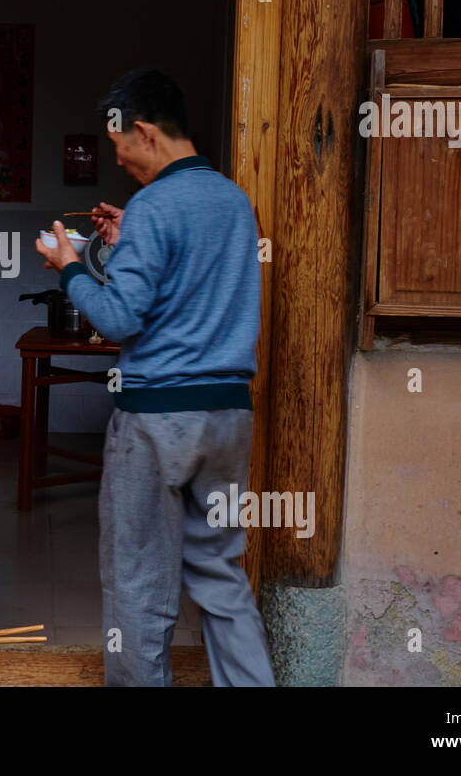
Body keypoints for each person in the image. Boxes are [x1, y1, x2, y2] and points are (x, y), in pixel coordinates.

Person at [34, 68, 275, 687]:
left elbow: (120, 315)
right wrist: (118, 246)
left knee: (139, 583)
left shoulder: (153, 206)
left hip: (156, 419)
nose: (119, 161)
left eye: (119, 147)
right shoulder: (233, 200)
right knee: (222, 576)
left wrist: (69, 265)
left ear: (143, 131)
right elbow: (188, 288)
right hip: (227, 415)